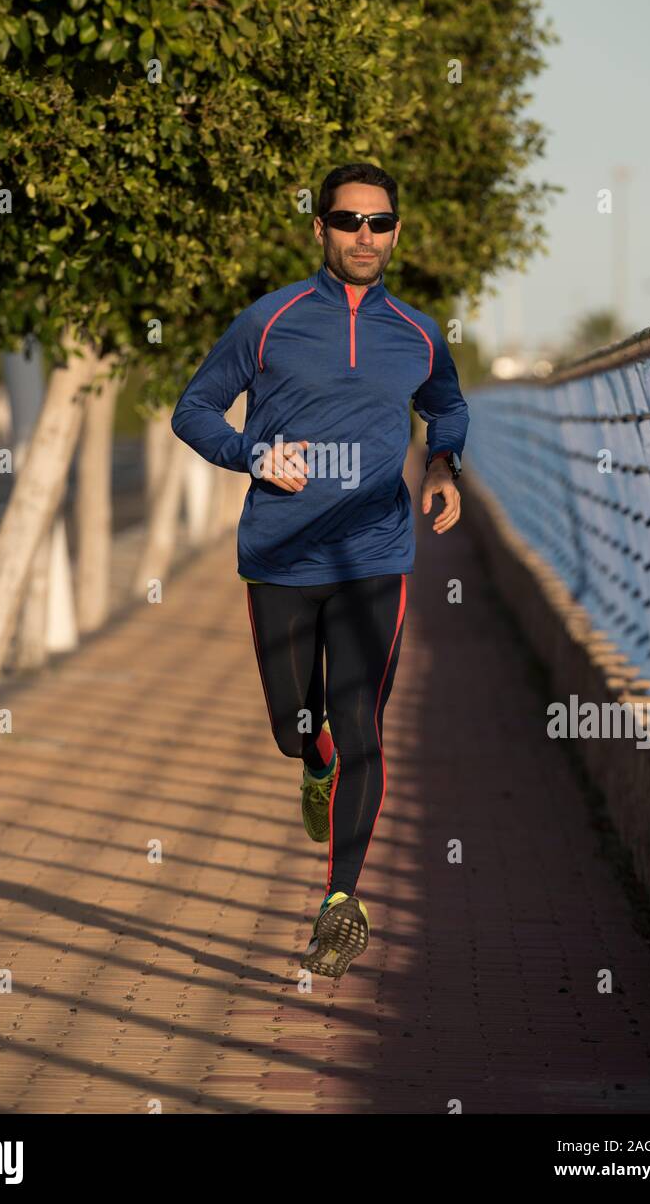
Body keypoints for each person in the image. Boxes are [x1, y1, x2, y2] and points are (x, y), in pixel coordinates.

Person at [171, 162, 469, 978]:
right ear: (319, 229)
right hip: (280, 556)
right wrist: (251, 454)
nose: (363, 237)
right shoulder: (267, 322)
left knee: (363, 723)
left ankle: (340, 900)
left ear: (397, 231)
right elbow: (192, 410)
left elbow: (446, 404)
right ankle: (312, 765)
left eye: (379, 223)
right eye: (347, 222)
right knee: (295, 725)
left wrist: (443, 467)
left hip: (377, 556)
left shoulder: (416, 332)